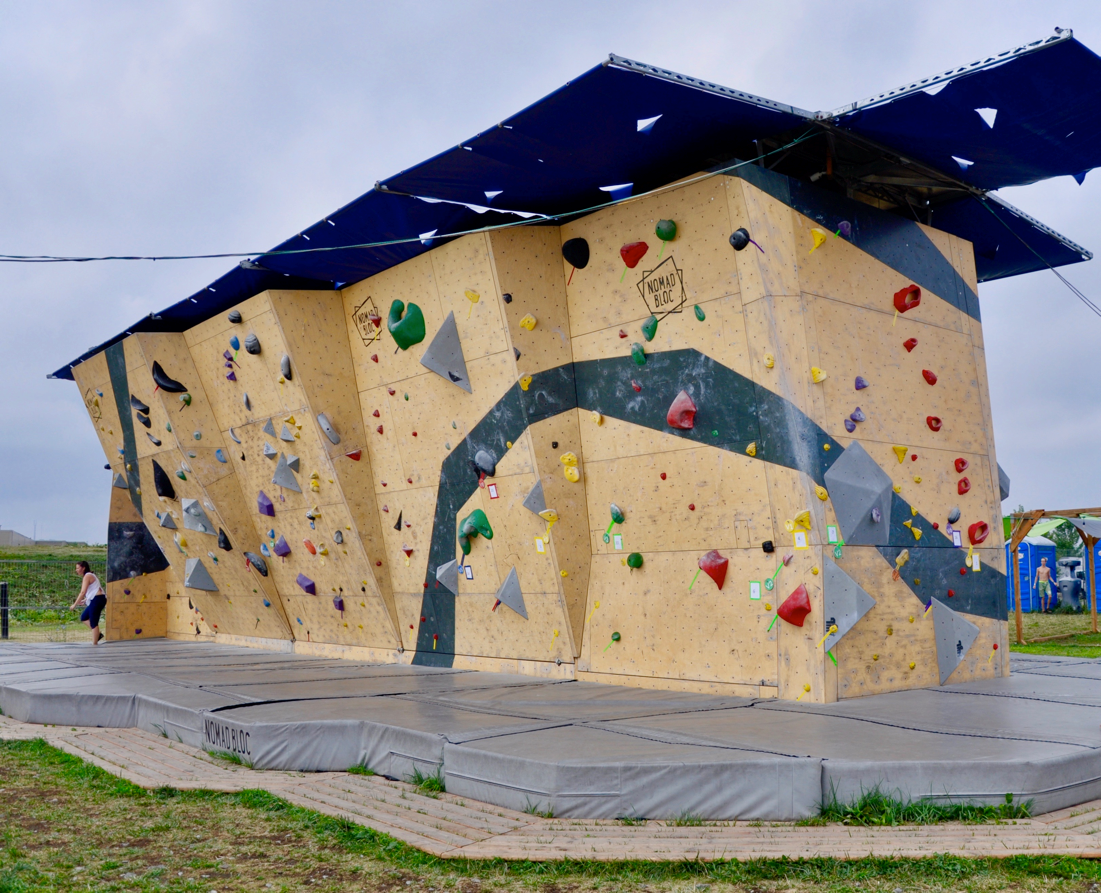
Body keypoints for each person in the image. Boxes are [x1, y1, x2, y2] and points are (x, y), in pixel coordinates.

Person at [69, 561, 106, 644]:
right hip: (97, 598)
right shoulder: (90, 575)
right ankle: (98, 635)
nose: (76, 570)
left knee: (94, 622)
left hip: (97, 600)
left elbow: (83, 592)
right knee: (84, 617)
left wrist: (74, 605)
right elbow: (95, 589)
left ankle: (95, 643)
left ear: (83, 568)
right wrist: (85, 600)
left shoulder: (87, 576)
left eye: (78, 568)